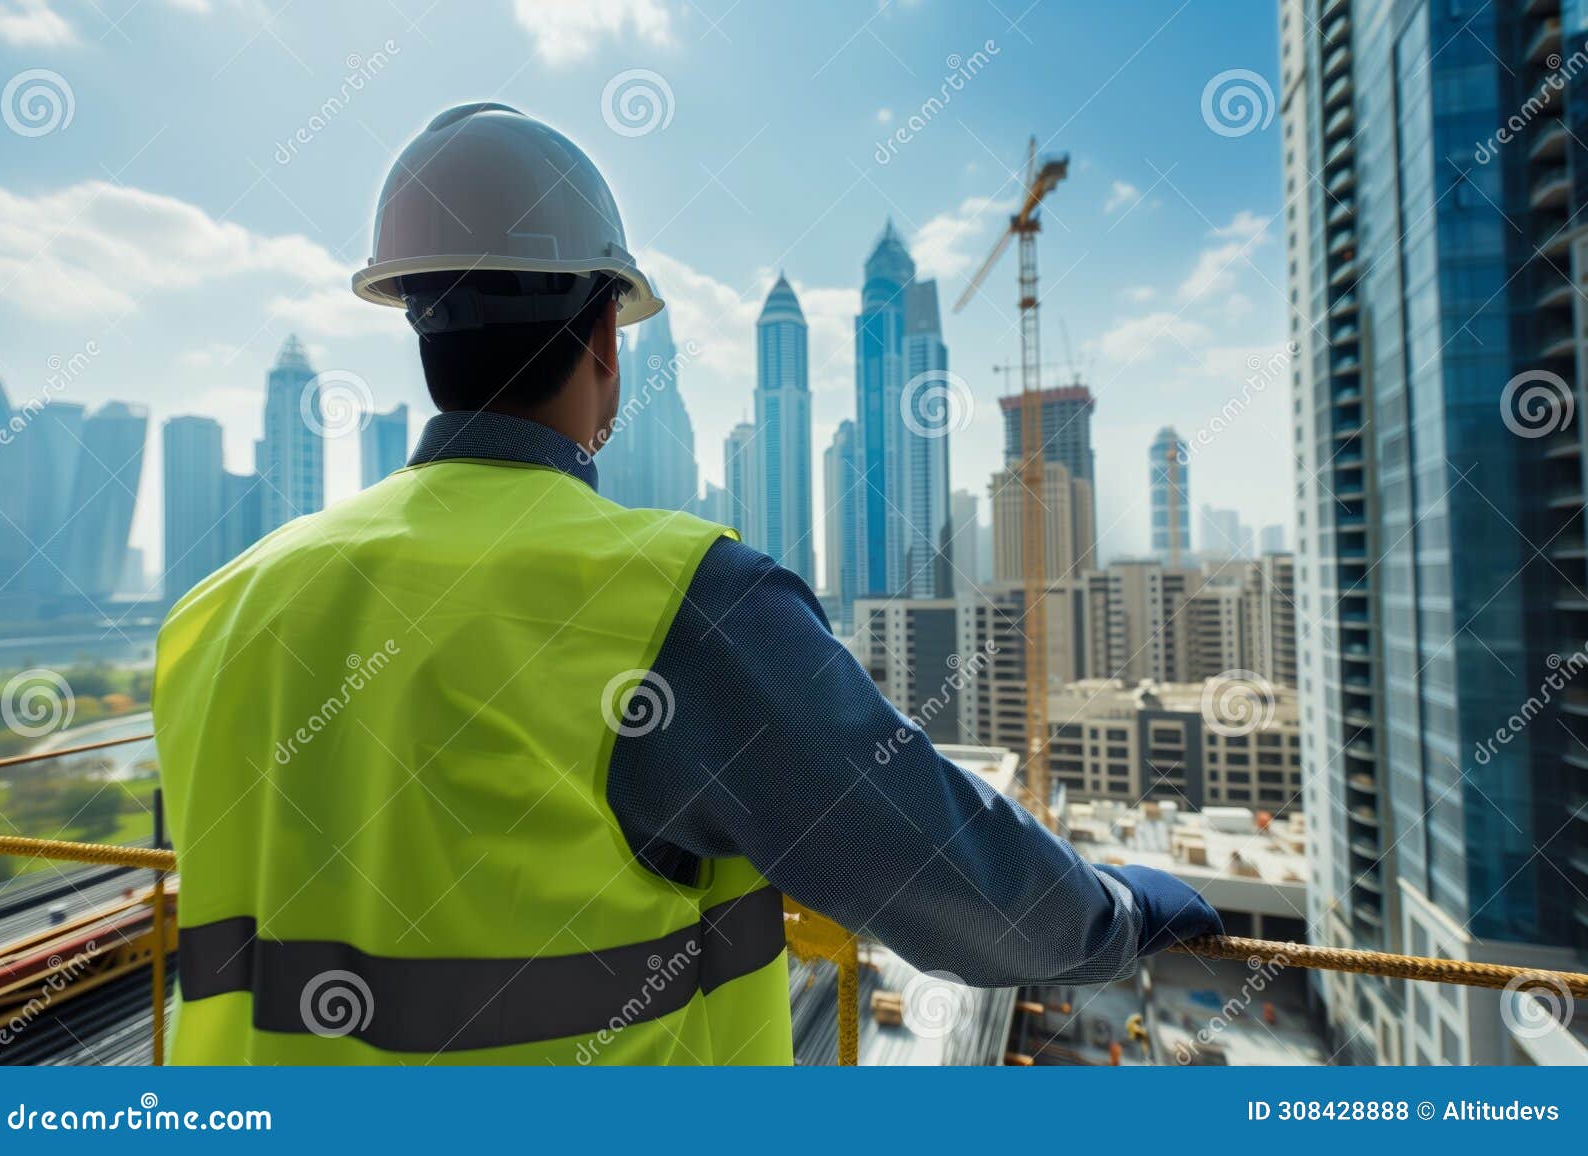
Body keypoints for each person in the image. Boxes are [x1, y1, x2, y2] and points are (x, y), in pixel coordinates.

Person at [155, 103, 1221, 1066]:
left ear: (415, 324)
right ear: (604, 339)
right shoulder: (680, 599)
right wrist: (1112, 916)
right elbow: (950, 881)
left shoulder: (217, 613)